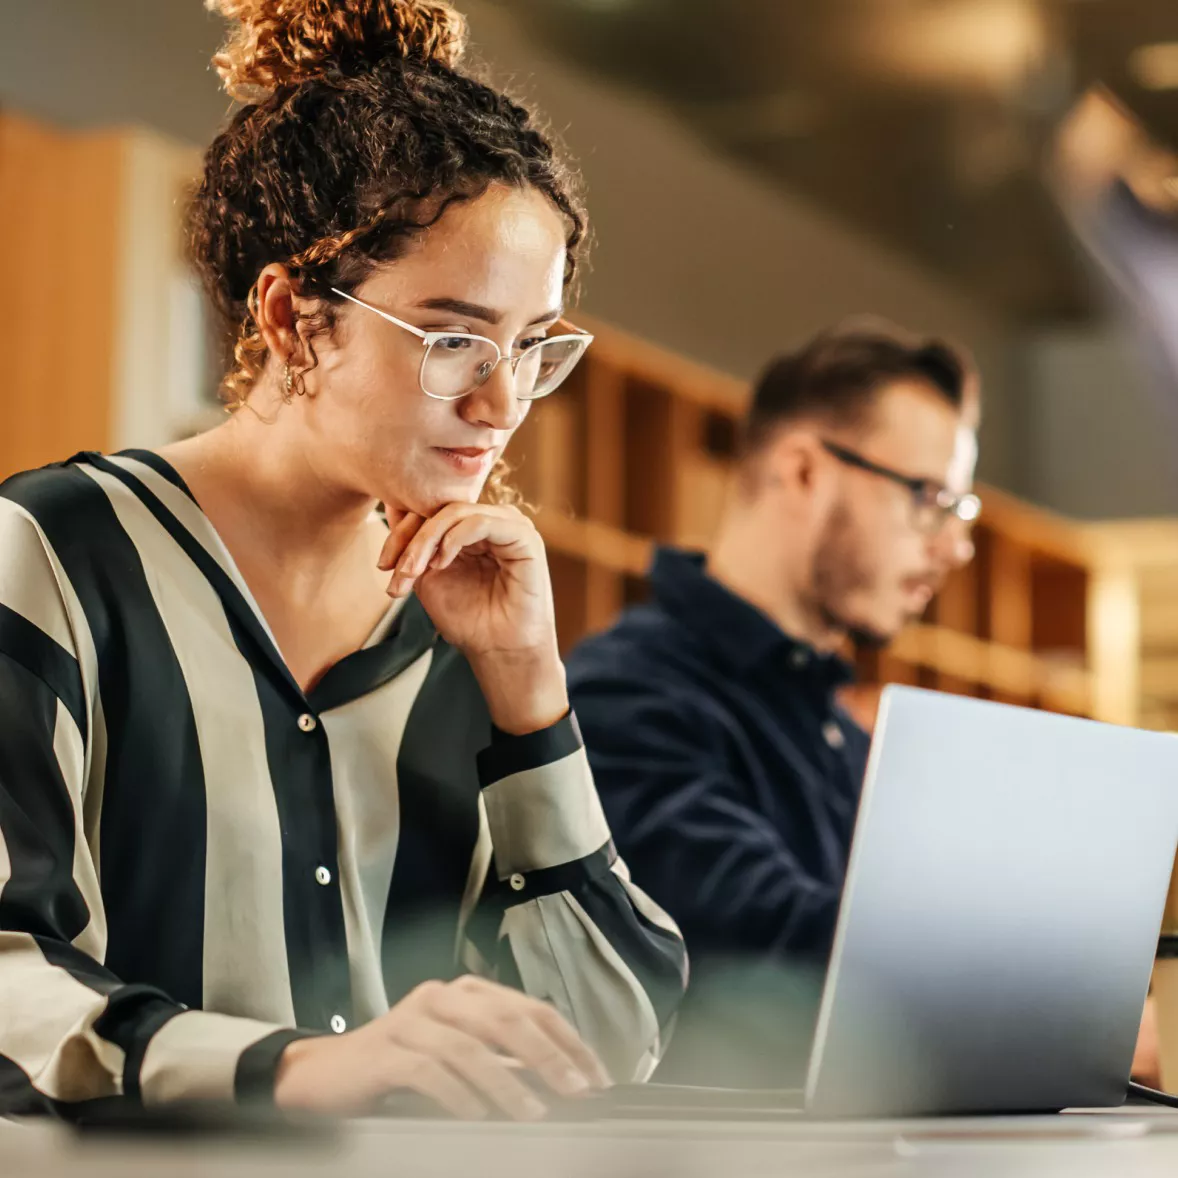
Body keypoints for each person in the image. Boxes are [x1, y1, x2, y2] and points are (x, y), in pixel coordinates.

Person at [0, 0, 685, 1121]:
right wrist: (292, 1067)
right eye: (454, 338)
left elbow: (606, 1044)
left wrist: (529, 694)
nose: (502, 400)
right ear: (290, 315)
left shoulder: (467, 619)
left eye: (529, 345)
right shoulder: (57, 554)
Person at [567, 322, 978, 1079]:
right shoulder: (623, 695)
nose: (954, 547)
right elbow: (764, 948)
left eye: (959, 511)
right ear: (804, 472)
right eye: (929, 498)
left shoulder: (845, 739)